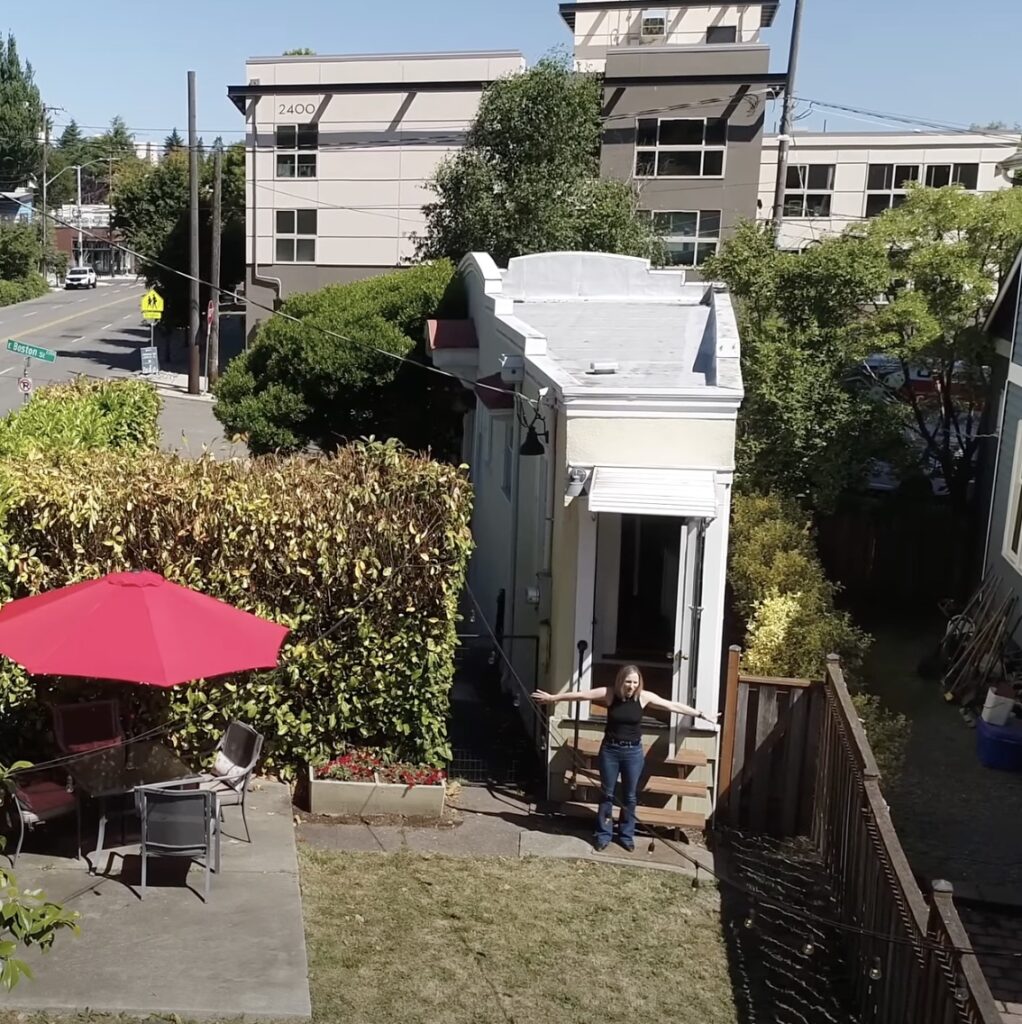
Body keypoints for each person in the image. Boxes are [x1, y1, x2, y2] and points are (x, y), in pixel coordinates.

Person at [532, 665, 719, 852]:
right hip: (610, 751)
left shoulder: (643, 697)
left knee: (630, 796)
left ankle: (626, 835)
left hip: (633, 753)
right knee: (607, 794)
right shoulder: (609, 694)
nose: (631, 686)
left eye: (635, 682)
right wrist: (553, 698)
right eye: (628, 681)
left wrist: (701, 714)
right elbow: (582, 695)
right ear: (621, 681)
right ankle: (603, 834)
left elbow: (672, 705)